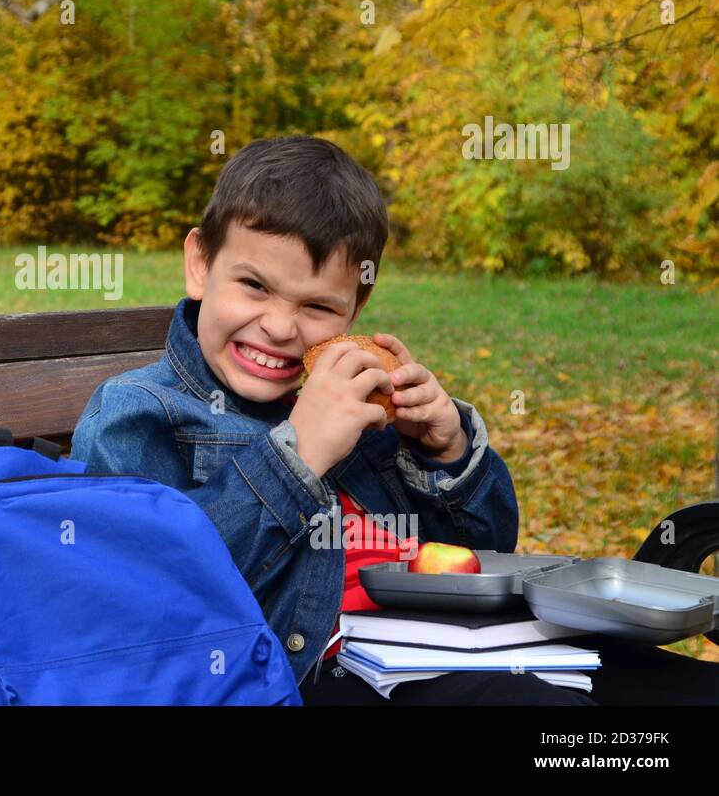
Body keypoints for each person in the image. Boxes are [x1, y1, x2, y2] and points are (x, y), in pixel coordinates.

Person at [70, 134, 719, 705]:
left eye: (319, 305)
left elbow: (483, 553)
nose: (280, 325)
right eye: (255, 286)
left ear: (356, 305)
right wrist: (297, 455)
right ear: (199, 264)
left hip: (450, 644)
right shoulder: (141, 414)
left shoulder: (361, 399)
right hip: (313, 674)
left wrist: (447, 452)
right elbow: (149, 603)